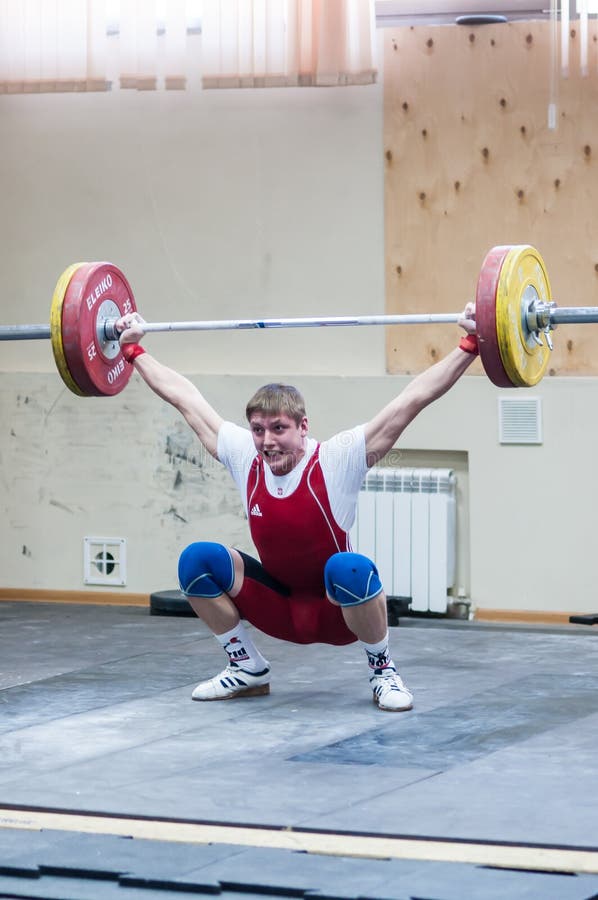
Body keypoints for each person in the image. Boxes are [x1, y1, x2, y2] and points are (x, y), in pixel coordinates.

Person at [117, 304, 478, 712]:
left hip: (337, 611)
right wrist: (133, 353)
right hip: (279, 609)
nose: (267, 441)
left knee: (351, 567)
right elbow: (185, 398)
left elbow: (412, 399)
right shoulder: (244, 455)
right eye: (257, 430)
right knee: (196, 561)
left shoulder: (337, 458)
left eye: (279, 429)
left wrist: (469, 345)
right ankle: (247, 668)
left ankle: (384, 671)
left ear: (303, 427)